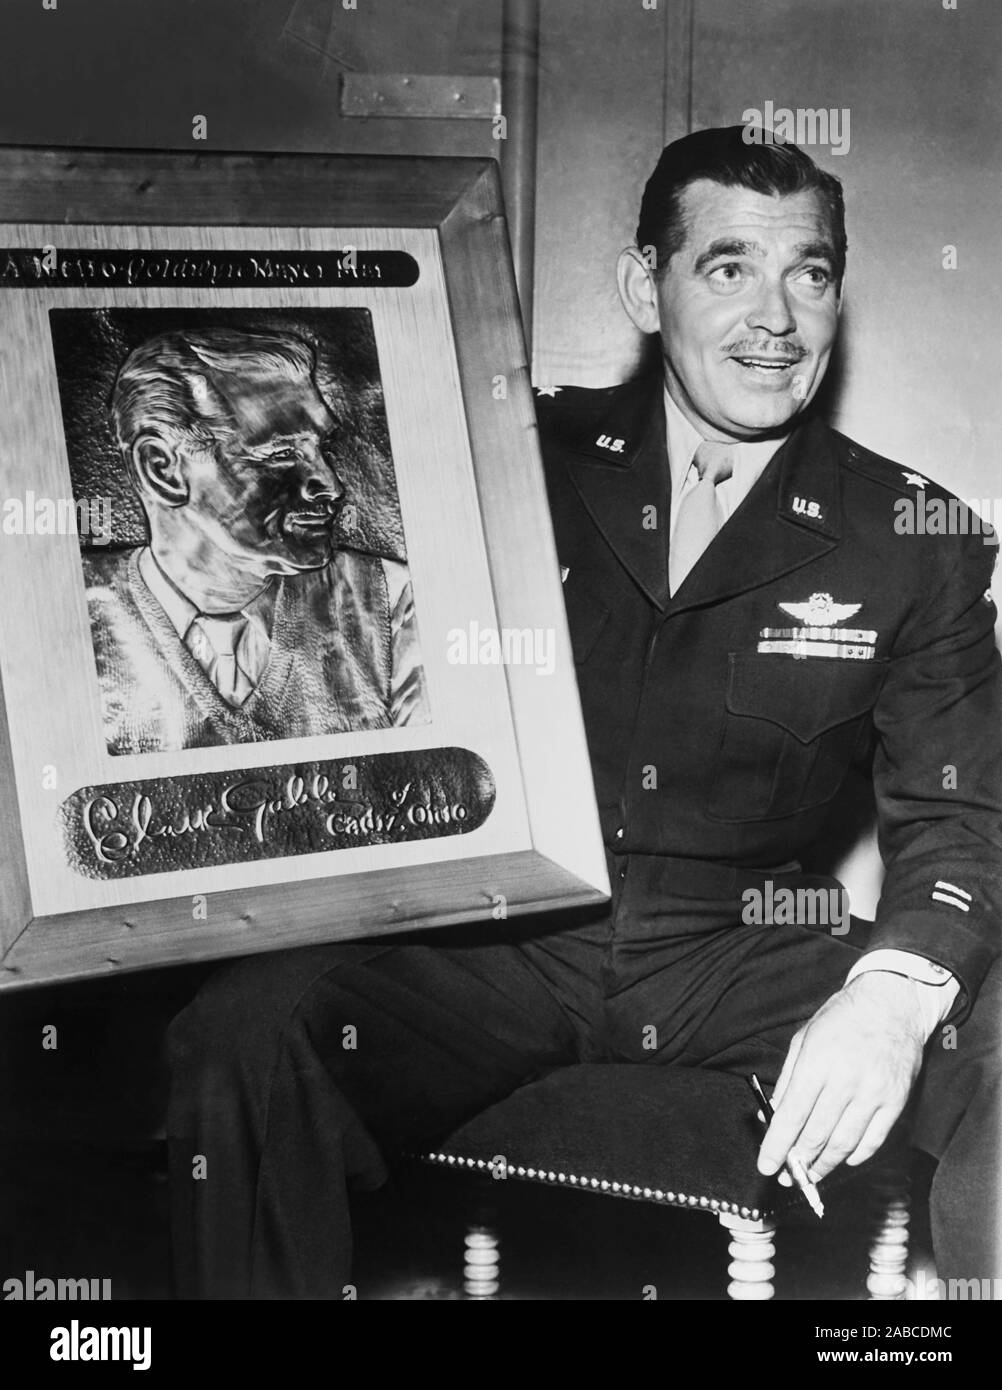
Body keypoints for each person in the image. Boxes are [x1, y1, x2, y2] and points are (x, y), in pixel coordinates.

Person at [167, 127, 1001, 1298]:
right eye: (727, 269)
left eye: (808, 273)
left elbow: (961, 818)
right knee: (242, 1039)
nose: (776, 316)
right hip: (500, 937)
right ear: (642, 286)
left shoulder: (915, 538)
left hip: (739, 943)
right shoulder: (504, 450)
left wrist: (895, 998)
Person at [83, 326, 429, 755]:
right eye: (282, 454)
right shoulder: (72, 615)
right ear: (162, 469)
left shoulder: (390, 599)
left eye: (320, 448)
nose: (330, 485)